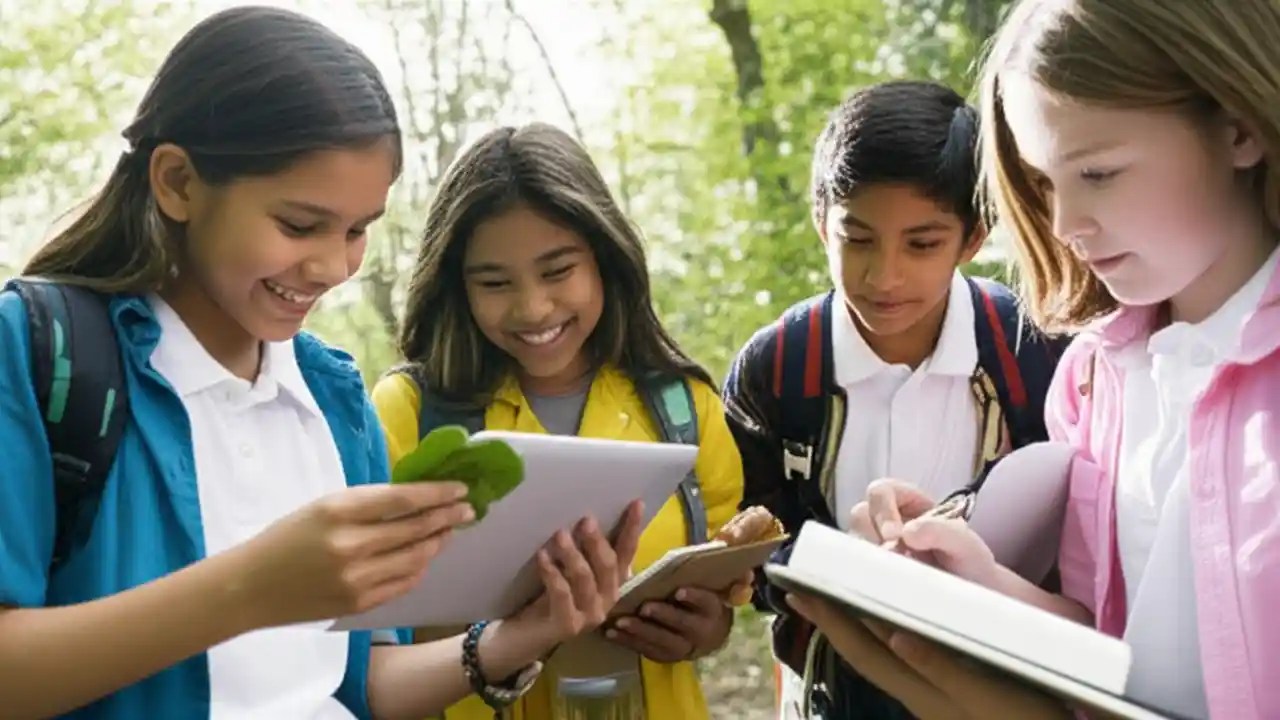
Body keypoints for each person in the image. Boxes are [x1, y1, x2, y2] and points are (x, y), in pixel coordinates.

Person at [0, 8, 640, 719]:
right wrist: (251, 588)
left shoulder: (333, 398)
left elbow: (361, 681)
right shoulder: (40, 356)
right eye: (299, 225)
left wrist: (523, 635)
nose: (333, 265)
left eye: (359, 229)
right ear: (177, 182)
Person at [790, 1, 1280, 719]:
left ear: (1238, 126)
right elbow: (1109, 643)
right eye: (1044, 182)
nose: (1062, 226)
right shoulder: (1093, 380)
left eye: (1100, 173)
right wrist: (977, 579)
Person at [370, 123, 747, 720]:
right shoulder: (410, 416)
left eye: (557, 271)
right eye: (494, 283)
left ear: (604, 258)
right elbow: (375, 639)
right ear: (456, 285)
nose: (533, 308)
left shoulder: (683, 408)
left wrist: (707, 628)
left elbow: (722, 577)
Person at [721, 80, 1063, 718]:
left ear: (973, 237)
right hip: (830, 692)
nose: (885, 276)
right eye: (858, 238)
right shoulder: (776, 370)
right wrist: (829, 566)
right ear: (822, 223)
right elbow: (750, 549)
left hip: (999, 692)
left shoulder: (1033, 350)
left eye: (923, 244)